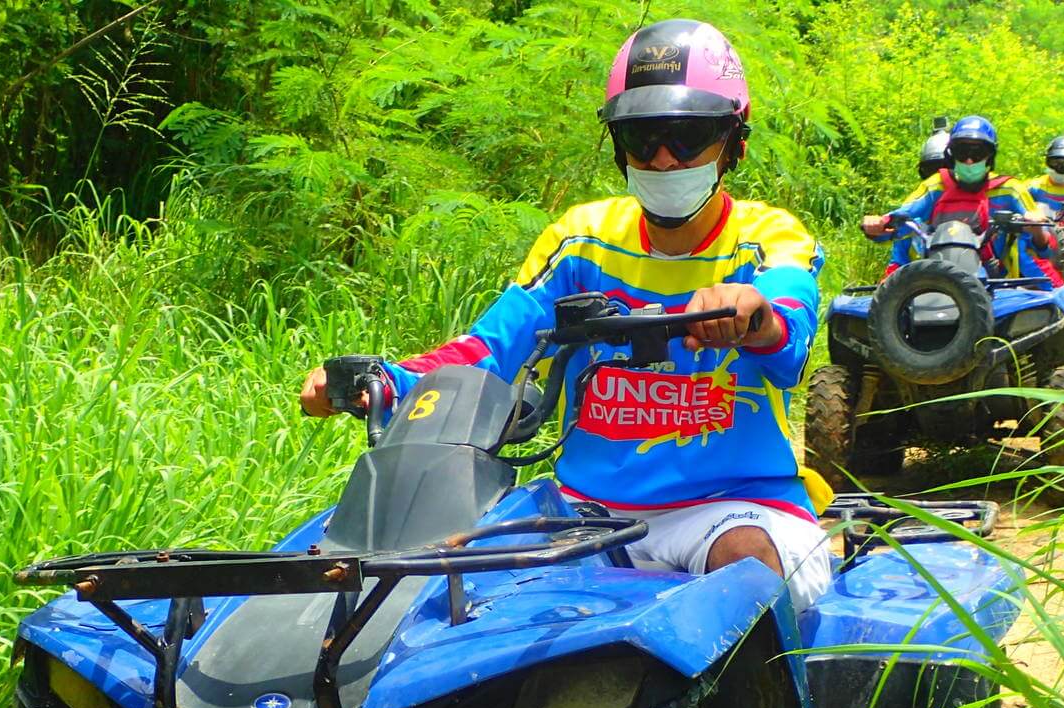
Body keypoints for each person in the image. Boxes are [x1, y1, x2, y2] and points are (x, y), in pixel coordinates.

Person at [298, 19, 835, 608]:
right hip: (584, 514)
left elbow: (789, 328)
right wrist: (385, 381)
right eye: (641, 137)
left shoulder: (768, 239)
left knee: (747, 571)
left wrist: (752, 315)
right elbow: (490, 351)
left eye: (688, 136)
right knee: (438, 604)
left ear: (735, 142)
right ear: (616, 146)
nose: (661, 159)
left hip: (732, 505)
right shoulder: (580, 240)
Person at [859, 114, 1061, 284]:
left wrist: (1036, 228)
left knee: (1055, 306)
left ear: (990, 156)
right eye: (962, 152)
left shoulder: (1010, 189)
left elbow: (1045, 250)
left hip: (998, 284)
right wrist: (877, 224)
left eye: (977, 152)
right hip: (934, 279)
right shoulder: (934, 186)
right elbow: (899, 219)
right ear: (951, 154)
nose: (969, 160)